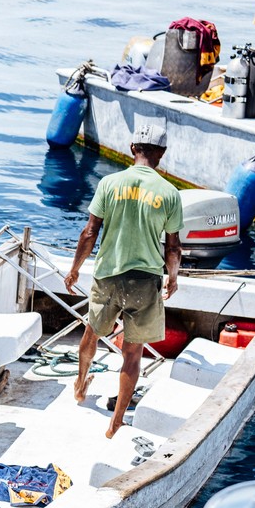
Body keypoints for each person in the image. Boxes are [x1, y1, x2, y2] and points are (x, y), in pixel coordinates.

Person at [64, 122, 183, 438]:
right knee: (133, 353)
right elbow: (173, 246)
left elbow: (90, 232)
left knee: (92, 331)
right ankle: (116, 422)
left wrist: (75, 268)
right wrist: (172, 277)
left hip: (108, 276)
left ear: (133, 149)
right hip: (145, 282)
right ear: (161, 154)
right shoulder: (170, 193)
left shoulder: (109, 183)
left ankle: (79, 385)